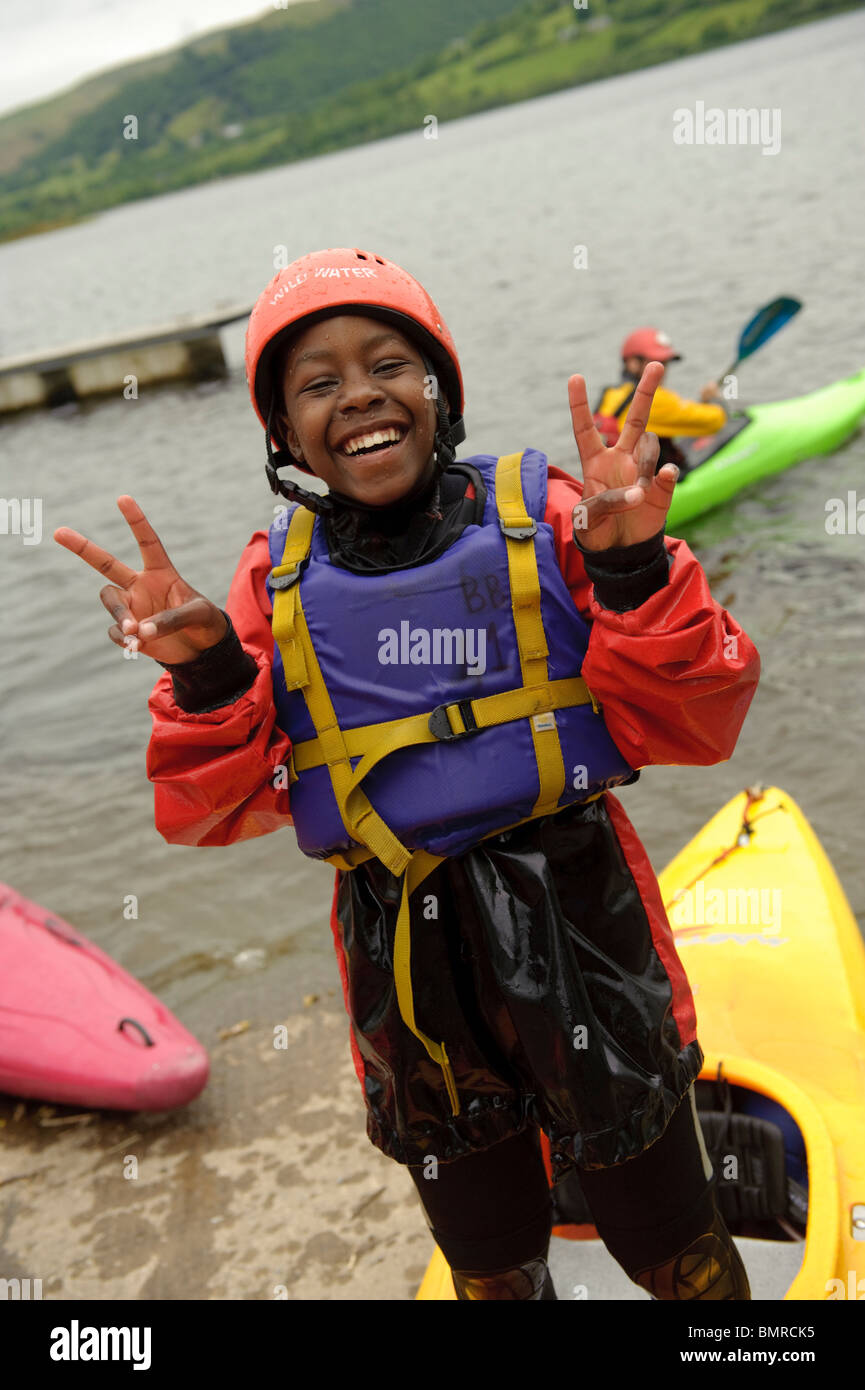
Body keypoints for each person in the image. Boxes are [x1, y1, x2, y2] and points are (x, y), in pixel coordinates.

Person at [55, 247, 760, 1301]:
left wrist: (631, 569)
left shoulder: (557, 516)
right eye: (319, 383)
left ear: (440, 392)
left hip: (583, 921)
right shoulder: (271, 584)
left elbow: (700, 718)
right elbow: (213, 813)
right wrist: (206, 676)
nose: (360, 396)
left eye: (389, 364)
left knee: (675, 1251)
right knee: (490, 1263)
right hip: (407, 960)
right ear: (285, 434)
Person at [593, 327, 727, 473]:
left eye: (665, 363)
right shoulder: (655, 399)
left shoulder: (610, 393)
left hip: (616, 479)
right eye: (655, 363)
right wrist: (714, 399)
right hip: (654, 487)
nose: (663, 371)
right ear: (633, 363)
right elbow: (716, 421)